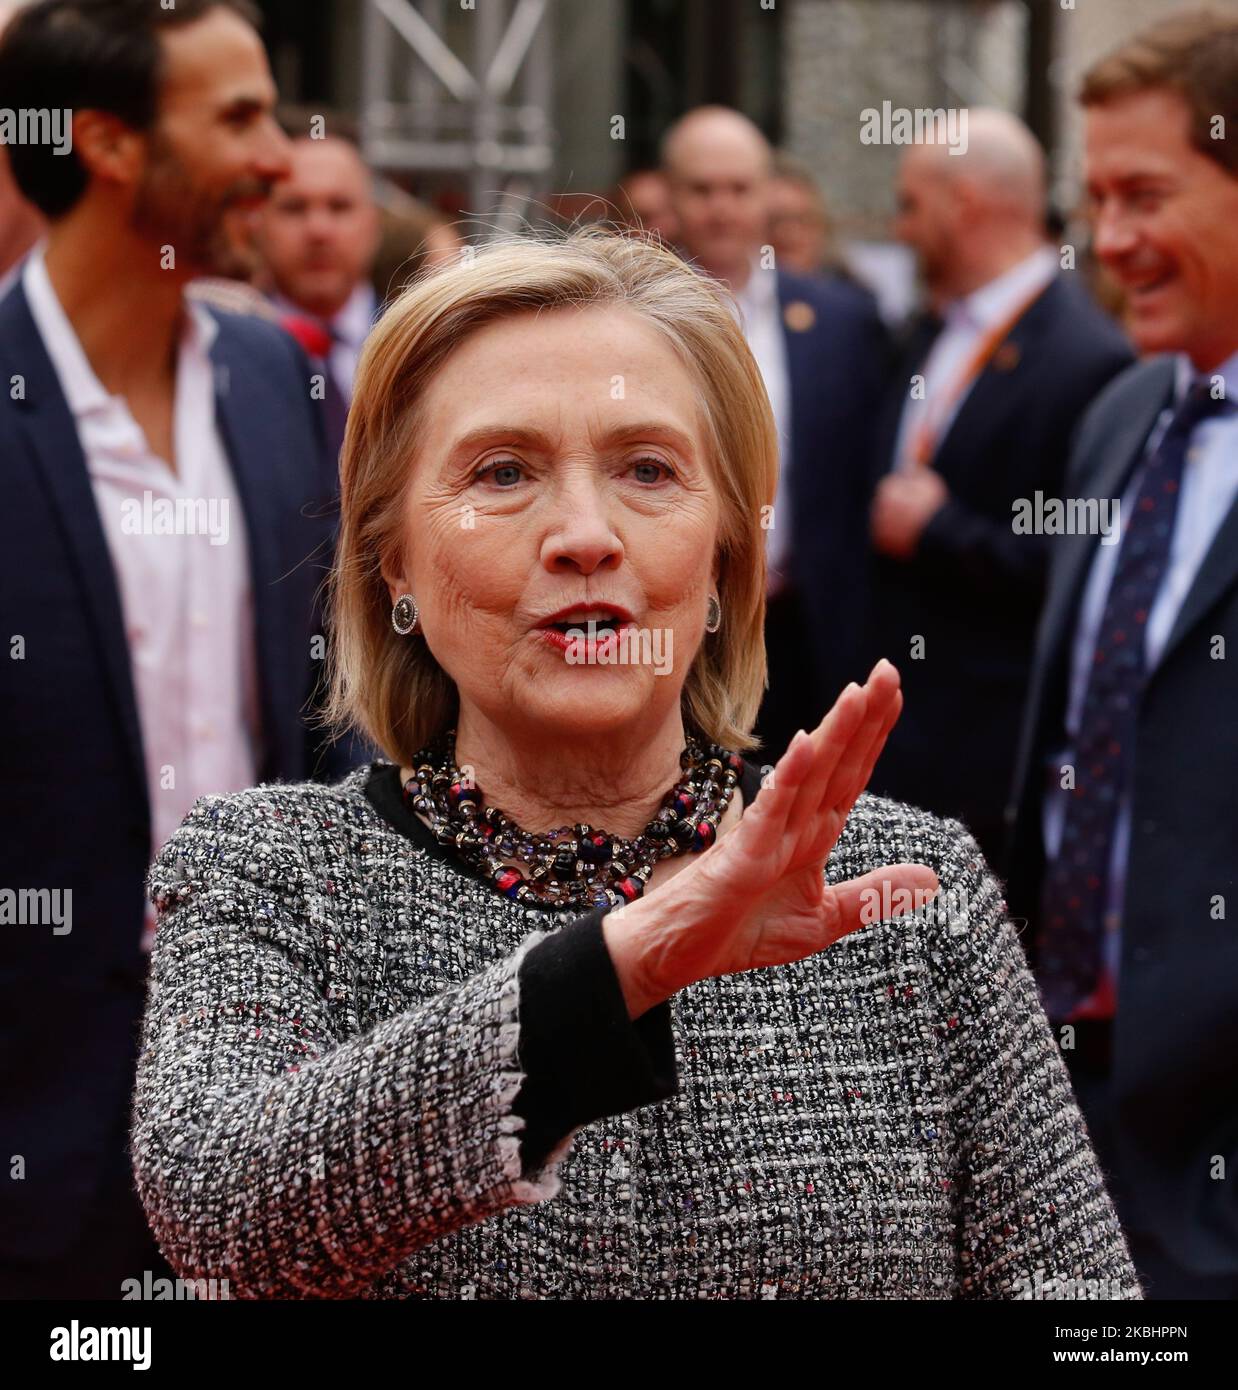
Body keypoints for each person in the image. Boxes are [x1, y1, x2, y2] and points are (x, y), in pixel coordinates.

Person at [131, 228, 1140, 1300]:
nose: (583, 534)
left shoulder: (901, 886)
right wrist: (623, 966)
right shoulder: (273, 866)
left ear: (721, 561)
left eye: (647, 470)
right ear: (394, 564)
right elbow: (215, 1207)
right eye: (504, 471)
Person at [0, 0, 357, 1297]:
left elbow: (332, 710)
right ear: (106, 142)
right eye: (240, 116)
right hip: (40, 1132)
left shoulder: (274, 381)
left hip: (279, 1110)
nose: (280, 156)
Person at [1005, 7, 1238, 1301]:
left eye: (1143, 193)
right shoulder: (1116, 418)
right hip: (1071, 1119)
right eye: (1092, 197)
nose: (1111, 241)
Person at [865, 108, 1133, 870]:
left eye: (912, 205)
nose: (902, 229)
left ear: (967, 203)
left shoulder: (1087, 358)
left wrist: (942, 531)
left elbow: (1091, 561)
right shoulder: (930, 328)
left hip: (990, 751)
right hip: (904, 737)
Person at [662, 106, 890, 764]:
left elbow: (856, 475)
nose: (722, 208)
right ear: (673, 198)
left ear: (769, 196)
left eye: (739, 189)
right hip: (679, 624)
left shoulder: (843, 320)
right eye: (702, 190)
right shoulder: (629, 319)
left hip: (804, 628)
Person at [257, 133, 383, 462]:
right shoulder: (220, 357)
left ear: (373, 224)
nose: (318, 230)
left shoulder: (424, 352)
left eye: (339, 207)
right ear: (260, 223)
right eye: (294, 208)